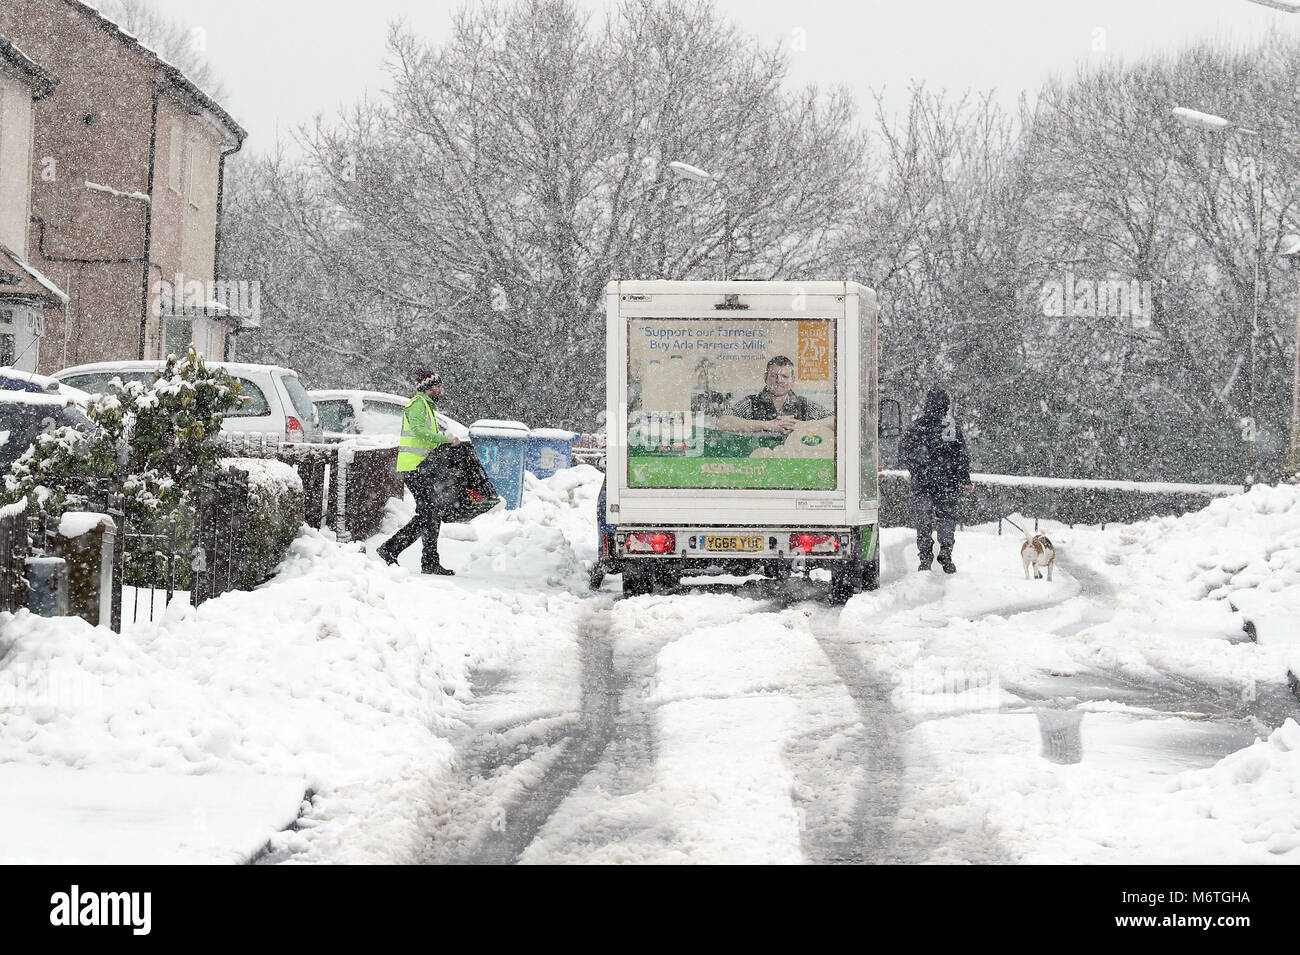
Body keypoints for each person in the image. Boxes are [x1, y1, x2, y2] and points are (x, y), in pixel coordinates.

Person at [375, 368, 462, 575]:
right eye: (438, 386)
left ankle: (428, 561)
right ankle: (390, 549)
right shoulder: (417, 405)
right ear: (428, 388)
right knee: (428, 514)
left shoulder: (428, 406)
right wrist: (445, 439)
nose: (441, 390)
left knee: (431, 513)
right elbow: (419, 432)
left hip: (424, 467)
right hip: (414, 468)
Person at [899, 387, 972, 574]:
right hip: (948, 483)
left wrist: (917, 470)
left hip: (923, 484)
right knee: (946, 518)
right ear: (946, 405)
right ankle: (946, 552)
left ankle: (925, 557)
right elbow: (961, 456)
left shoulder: (918, 426)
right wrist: (964, 478)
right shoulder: (951, 427)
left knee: (923, 521)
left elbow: (904, 452)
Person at [715, 356, 833, 435]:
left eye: (784, 377)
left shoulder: (804, 404)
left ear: (792, 380)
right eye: (773, 376)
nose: (779, 380)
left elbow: (836, 421)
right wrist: (767, 425)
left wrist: (805, 426)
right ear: (765, 378)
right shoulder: (750, 403)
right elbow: (721, 422)